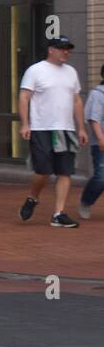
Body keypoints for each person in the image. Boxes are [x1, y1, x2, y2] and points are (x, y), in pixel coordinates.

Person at [18, 36, 87, 227]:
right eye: (62, 48)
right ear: (51, 49)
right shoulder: (36, 70)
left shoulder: (71, 72)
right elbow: (24, 97)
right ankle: (33, 197)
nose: (66, 52)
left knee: (65, 172)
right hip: (42, 128)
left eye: (68, 49)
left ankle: (58, 214)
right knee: (43, 172)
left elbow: (77, 101)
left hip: (66, 129)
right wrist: (25, 124)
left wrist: (81, 128)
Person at [79, 64, 104, 219]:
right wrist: (100, 138)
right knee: (101, 177)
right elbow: (93, 119)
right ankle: (86, 201)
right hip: (101, 143)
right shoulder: (97, 94)